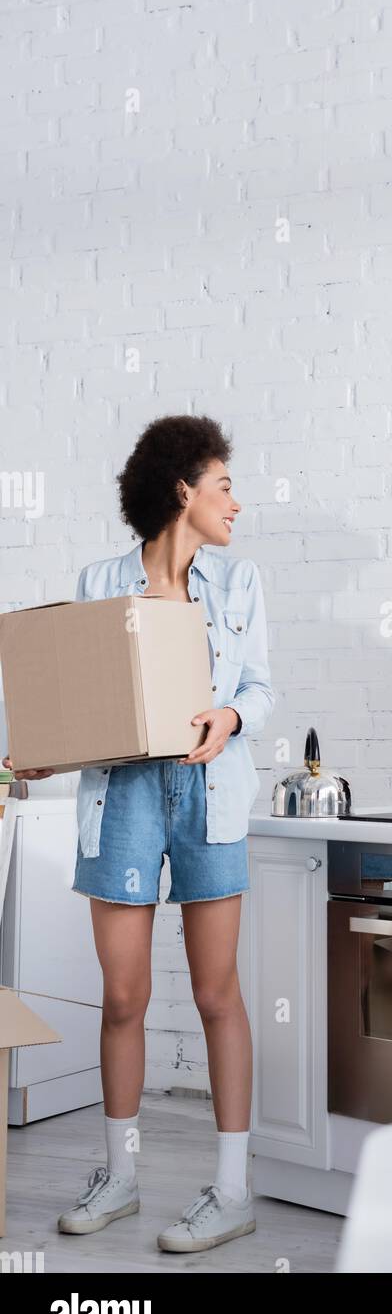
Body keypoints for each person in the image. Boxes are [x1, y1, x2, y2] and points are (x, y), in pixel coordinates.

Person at [4, 414, 274, 1253]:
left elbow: (261, 690)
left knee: (215, 993)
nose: (237, 500)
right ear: (182, 489)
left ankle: (231, 1190)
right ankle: (119, 1176)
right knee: (123, 996)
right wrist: (46, 749)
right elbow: (76, 692)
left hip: (209, 793)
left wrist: (230, 713)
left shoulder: (239, 586)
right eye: (224, 483)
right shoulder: (99, 581)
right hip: (122, 795)